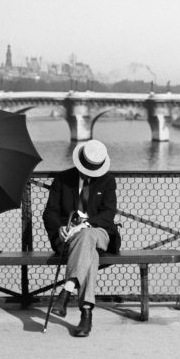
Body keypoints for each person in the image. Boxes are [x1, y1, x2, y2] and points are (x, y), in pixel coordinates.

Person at [42, 139, 121, 337]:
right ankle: (86, 313)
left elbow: (108, 213)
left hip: (100, 233)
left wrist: (84, 225)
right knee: (90, 255)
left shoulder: (107, 180)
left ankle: (67, 289)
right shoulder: (63, 179)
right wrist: (60, 227)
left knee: (87, 235)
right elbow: (49, 212)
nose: (89, 175)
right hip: (69, 237)